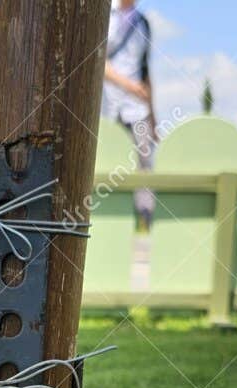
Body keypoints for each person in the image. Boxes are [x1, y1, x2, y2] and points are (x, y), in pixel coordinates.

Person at [101, 0, 155, 227]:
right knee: (106, 161)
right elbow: (98, 61)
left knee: (145, 162)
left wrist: (153, 116)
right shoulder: (104, 16)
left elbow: (145, 72)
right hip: (109, 106)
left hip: (137, 109)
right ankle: (105, 217)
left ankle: (145, 220)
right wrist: (129, 86)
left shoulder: (143, 23)